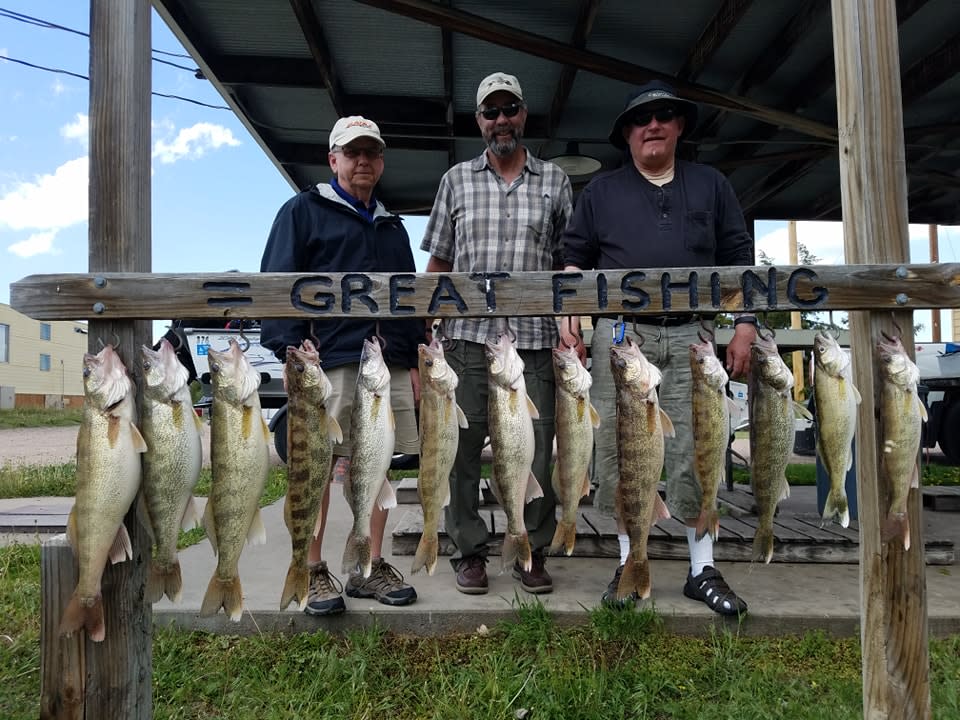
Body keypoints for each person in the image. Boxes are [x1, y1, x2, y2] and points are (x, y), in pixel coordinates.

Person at [560, 80, 756, 616]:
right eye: (642, 119)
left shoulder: (712, 184)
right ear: (626, 133)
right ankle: (629, 559)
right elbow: (573, 258)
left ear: (679, 127)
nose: (653, 125)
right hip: (623, 335)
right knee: (621, 451)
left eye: (665, 116)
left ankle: (702, 568)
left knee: (699, 446)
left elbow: (739, 256)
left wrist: (744, 325)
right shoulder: (599, 192)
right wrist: (568, 314)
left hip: (693, 332)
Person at [259, 115, 421, 615]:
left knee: (376, 462)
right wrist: (289, 352)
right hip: (326, 361)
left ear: (381, 160)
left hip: (386, 363)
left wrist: (413, 359)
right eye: (352, 153)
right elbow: (275, 286)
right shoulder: (302, 211)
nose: (363, 161)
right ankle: (312, 569)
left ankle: (368, 567)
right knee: (319, 466)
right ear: (333, 160)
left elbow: (408, 296)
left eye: (371, 152)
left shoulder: (393, 226)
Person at [421, 72, 573, 595]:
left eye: (509, 109)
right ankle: (468, 549)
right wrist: (428, 329)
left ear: (523, 115)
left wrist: (571, 327)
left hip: (533, 341)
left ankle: (530, 546)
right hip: (465, 339)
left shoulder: (555, 181)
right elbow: (438, 262)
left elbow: (567, 265)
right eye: (491, 112)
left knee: (536, 450)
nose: (500, 120)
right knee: (460, 448)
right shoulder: (455, 180)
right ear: (479, 121)